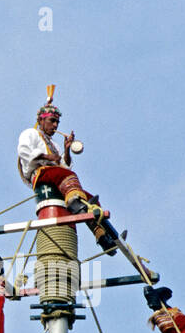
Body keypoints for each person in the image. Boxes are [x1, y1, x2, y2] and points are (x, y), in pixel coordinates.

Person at [16, 86, 117, 253]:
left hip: (56, 176)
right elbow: (24, 151)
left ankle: (104, 238)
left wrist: (67, 149)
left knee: (90, 199)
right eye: (52, 121)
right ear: (41, 120)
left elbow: (64, 165)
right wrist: (48, 158)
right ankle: (75, 203)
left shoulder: (54, 144)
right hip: (41, 174)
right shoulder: (30, 134)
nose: (55, 125)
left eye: (57, 122)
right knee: (69, 177)